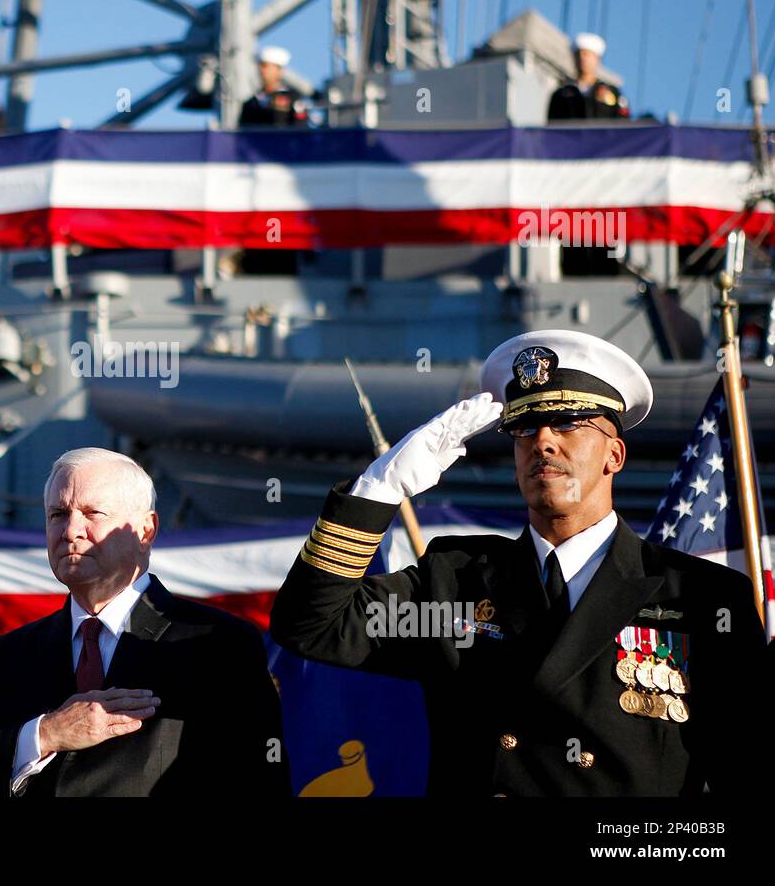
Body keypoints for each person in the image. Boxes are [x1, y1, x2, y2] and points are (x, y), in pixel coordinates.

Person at [270, 330, 765, 796]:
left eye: (568, 423)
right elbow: (311, 625)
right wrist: (378, 491)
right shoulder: (456, 581)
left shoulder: (700, 597)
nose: (542, 442)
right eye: (525, 428)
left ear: (614, 454)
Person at [0, 447, 290, 796]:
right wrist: (45, 734)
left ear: (145, 530)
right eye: (58, 515)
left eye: (92, 513)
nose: (71, 531)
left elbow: (259, 781)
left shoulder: (217, 645)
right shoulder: (7, 656)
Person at [547, 33, 630, 121]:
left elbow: (624, 124)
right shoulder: (561, 95)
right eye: (578, 54)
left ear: (597, 59)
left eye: (587, 54)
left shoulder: (612, 92)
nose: (582, 58)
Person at [239, 46, 309, 128]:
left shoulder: (293, 98)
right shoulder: (250, 103)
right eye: (260, 66)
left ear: (279, 70)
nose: (262, 70)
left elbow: (301, 128)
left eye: (266, 66)